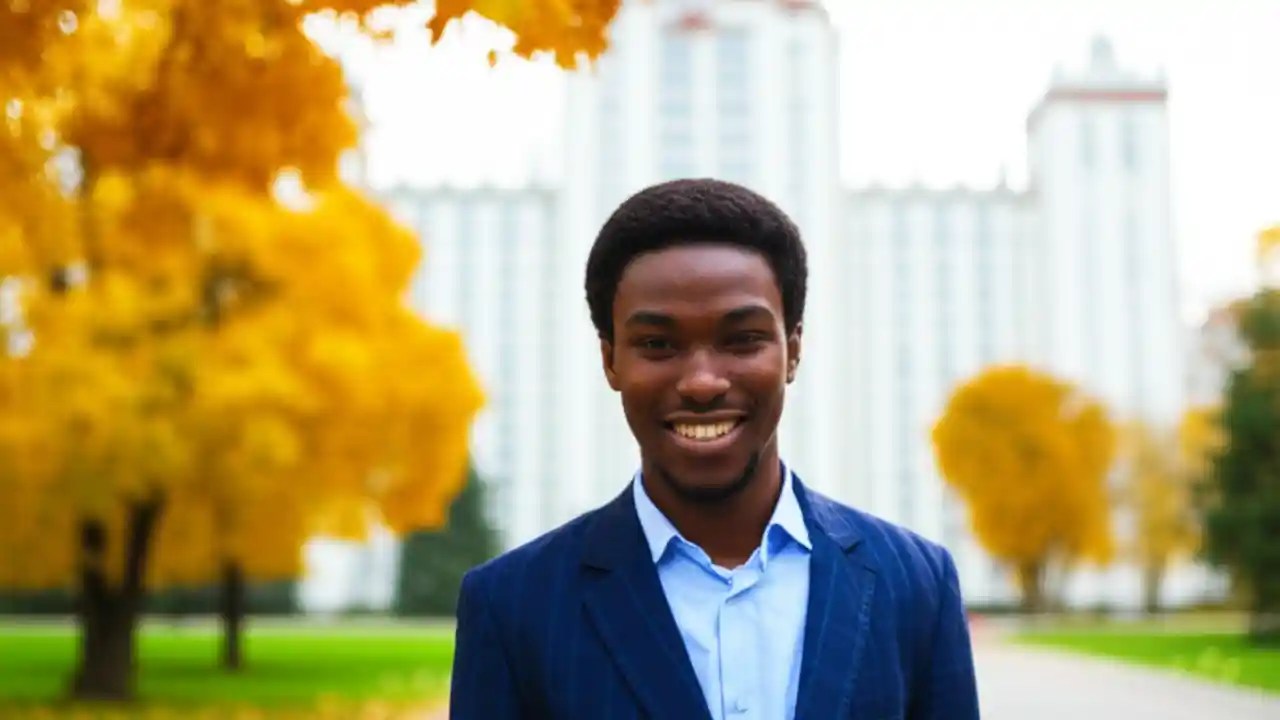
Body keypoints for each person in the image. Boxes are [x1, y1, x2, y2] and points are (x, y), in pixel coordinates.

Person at [449, 178, 980, 719]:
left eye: (742, 339)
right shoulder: (513, 606)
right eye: (658, 344)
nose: (702, 382)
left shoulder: (916, 585)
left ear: (792, 350)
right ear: (610, 360)